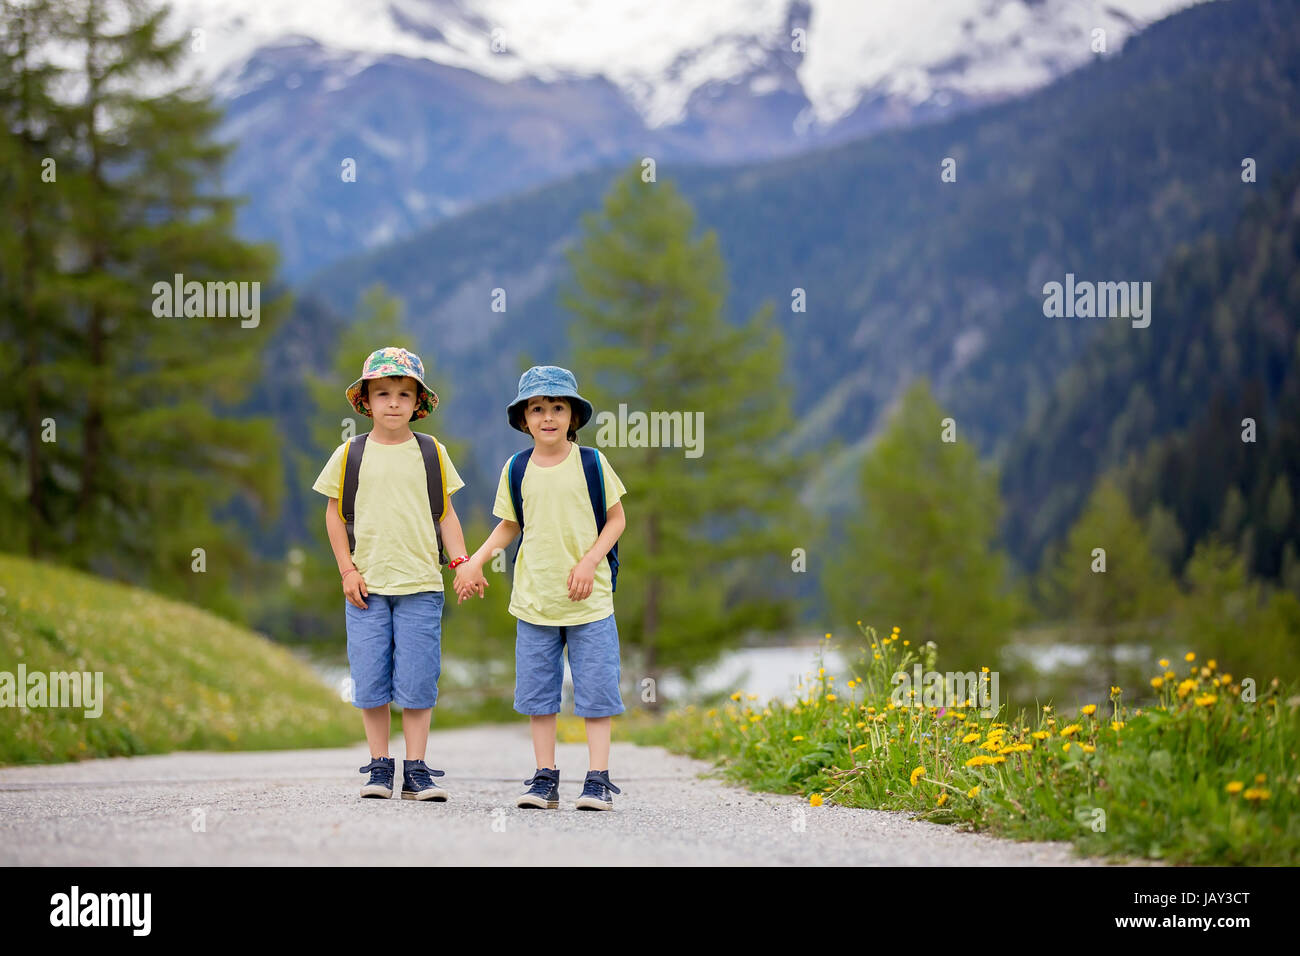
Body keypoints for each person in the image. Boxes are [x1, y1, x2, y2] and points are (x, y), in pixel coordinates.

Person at [457, 365, 628, 810]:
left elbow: (616, 520)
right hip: (534, 601)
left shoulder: (591, 463)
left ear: (573, 416)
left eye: (557, 407)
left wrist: (591, 561)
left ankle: (598, 778)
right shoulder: (516, 468)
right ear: (524, 419)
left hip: (591, 602)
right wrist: (474, 562)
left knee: (596, 692)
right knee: (538, 695)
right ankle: (544, 778)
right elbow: (509, 525)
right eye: (538, 408)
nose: (548, 416)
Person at [312, 347, 476, 802]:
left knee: (419, 679)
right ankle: (380, 766)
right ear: (365, 401)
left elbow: (445, 514)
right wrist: (346, 569)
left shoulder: (430, 452)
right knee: (370, 679)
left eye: (404, 394)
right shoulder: (350, 454)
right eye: (382, 393)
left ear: (417, 403)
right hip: (365, 586)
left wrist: (462, 562)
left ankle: (417, 770)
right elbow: (333, 515)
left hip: (421, 585)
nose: (393, 402)